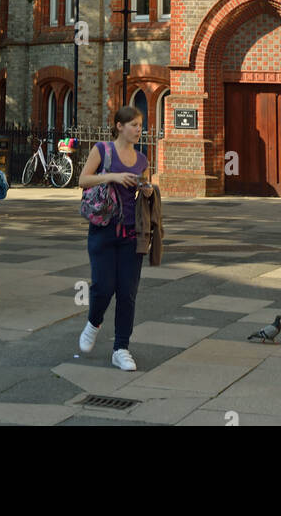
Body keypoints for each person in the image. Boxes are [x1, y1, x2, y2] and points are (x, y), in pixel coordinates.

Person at [77, 106, 154, 372]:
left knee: (127, 293)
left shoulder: (142, 159)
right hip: (103, 228)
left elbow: (142, 190)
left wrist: (147, 189)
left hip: (132, 233)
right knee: (102, 286)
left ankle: (121, 348)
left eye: (140, 124)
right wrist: (113, 176)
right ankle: (94, 322)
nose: (138, 129)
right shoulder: (103, 150)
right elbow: (83, 180)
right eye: (133, 124)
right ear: (119, 126)